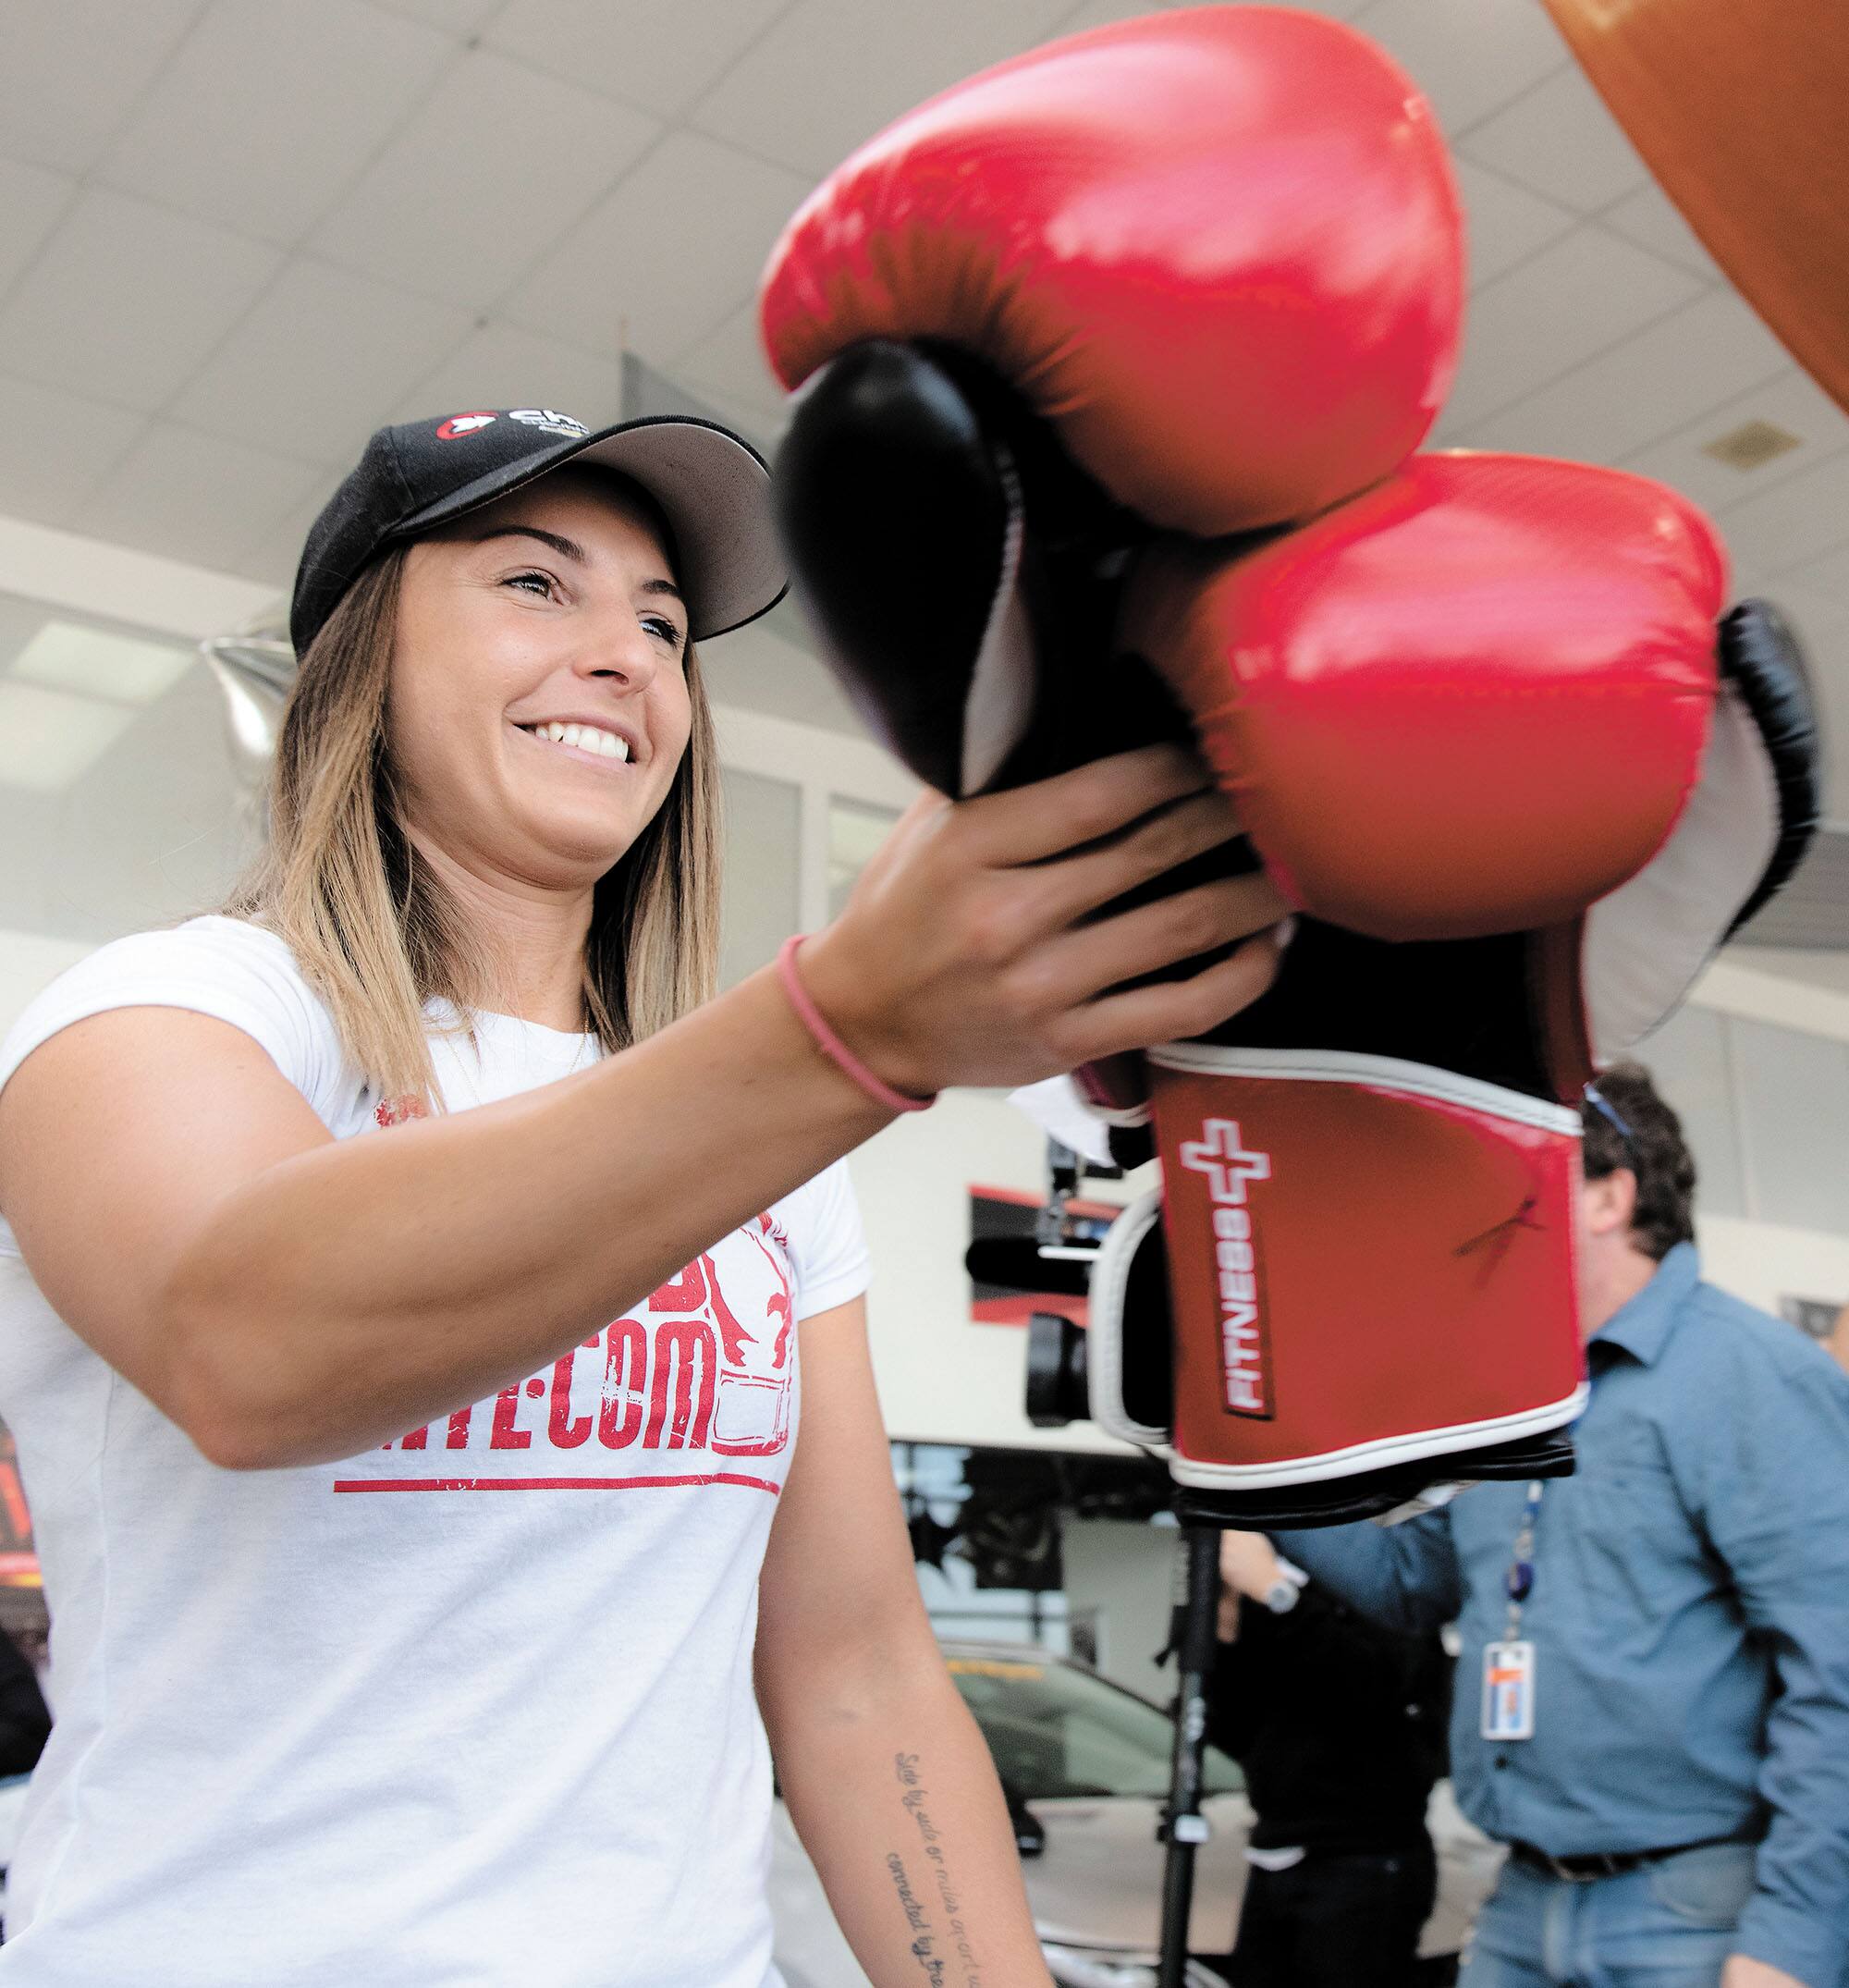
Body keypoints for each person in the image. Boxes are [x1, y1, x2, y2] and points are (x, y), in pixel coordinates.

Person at [0, 406, 1290, 1987]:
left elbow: (856, 1673)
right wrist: (855, 1031)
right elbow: (245, 1345)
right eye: (537, 585)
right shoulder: (164, 1013)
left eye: (666, 625)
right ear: (359, 657)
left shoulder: (761, 1155)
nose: (626, 654)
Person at [1274, 1062, 1849, 1988]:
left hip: (1696, 1913)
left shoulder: (1748, 1375)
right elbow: (1405, 1576)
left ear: (1606, 1197)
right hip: (1520, 1902)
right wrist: (1239, 1460)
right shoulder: (1522, 1396)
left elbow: (1839, 1676)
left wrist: (1792, 1938)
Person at [1206, 1528, 1451, 1988]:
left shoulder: (1385, 1573)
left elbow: (1379, 1693)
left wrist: (1280, 1596)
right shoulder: (1269, 1578)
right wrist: (1226, 1622)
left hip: (1367, 1856)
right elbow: (1235, 1730)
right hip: (1277, 1846)